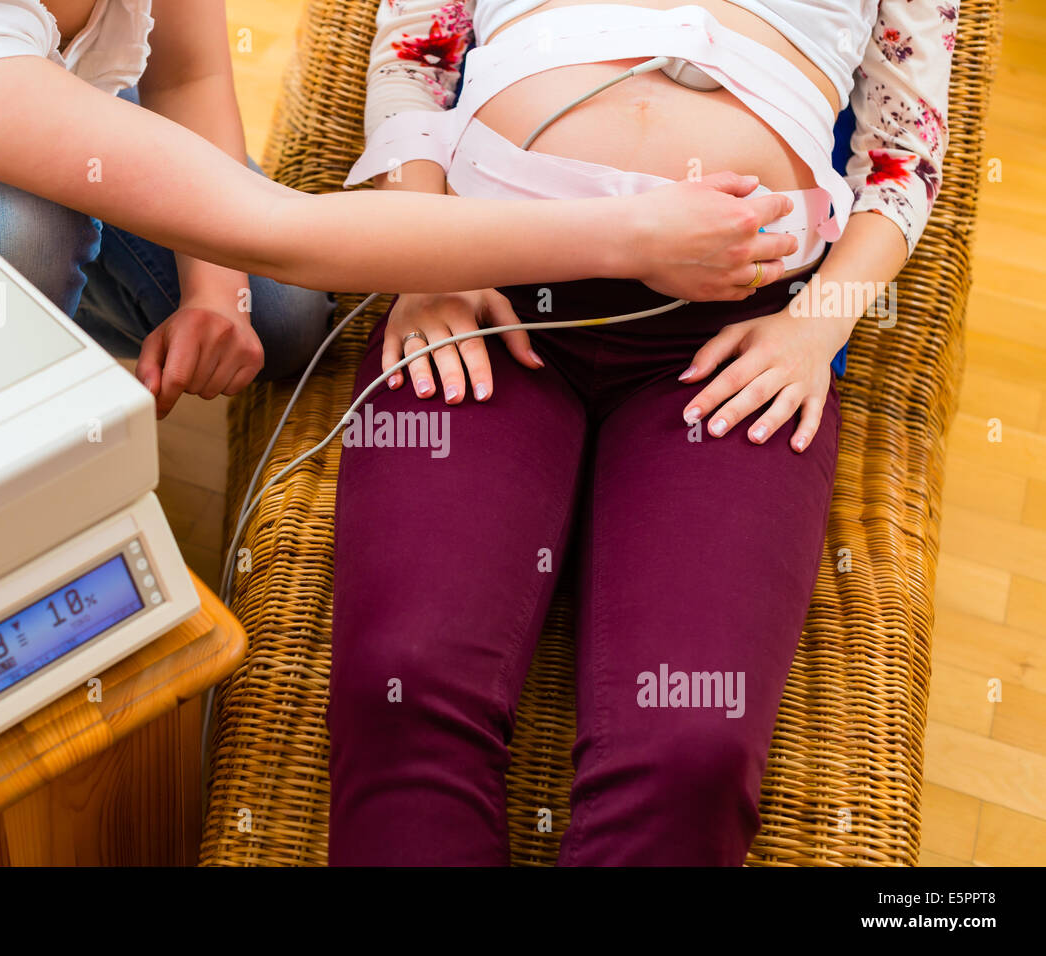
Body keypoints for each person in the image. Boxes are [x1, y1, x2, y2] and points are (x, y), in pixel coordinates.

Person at [328, 0, 955, 864]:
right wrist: (423, 254)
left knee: (692, 744)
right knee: (404, 683)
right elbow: (413, 58)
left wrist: (817, 326)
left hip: (729, 338)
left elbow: (900, 158)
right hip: (485, 282)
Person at [0, 0, 794, 415]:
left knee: (280, 311)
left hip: (38, 99)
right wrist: (630, 230)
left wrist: (214, 297)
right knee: (27, 227)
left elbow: (191, 76)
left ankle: (72, 332)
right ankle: (8, 407)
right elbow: (281, 222)